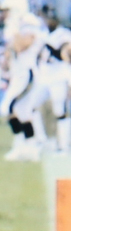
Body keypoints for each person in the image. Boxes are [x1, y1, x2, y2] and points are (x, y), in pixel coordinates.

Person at [0, 11, 49, 162]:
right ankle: (28, 146)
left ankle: (25, 145)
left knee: (8, 108)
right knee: (22, 112)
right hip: (19, 74)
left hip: (27, 74)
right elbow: (11, 53)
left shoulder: (33, 33)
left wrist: (14, 32)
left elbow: (20, 47)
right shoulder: (24, 33)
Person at [38, 15, 71, 154]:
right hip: (44, 76)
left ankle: (64, 145)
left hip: (59, 76)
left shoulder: (63, 33)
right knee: (32, 107)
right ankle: (42, 140)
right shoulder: (44, 34)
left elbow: (66, 50)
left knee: (60, 111)